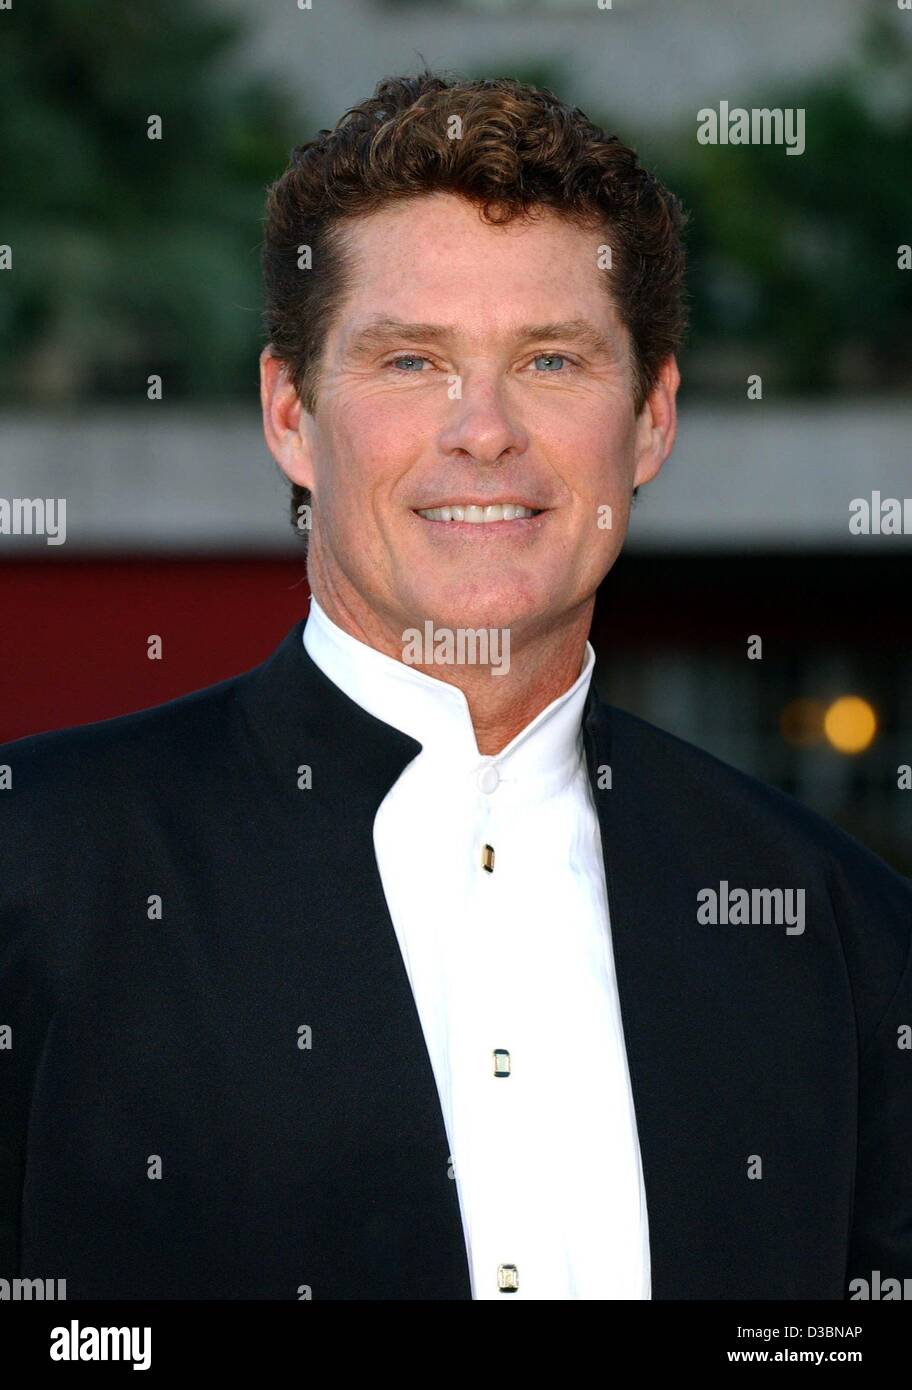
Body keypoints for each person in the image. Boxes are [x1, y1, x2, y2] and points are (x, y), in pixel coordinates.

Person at [1, 71, 909, 1301]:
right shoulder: (35, 865)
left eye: (549, 359)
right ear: (287, 411)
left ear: (650, 418)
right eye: (413, 360)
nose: (482, 430)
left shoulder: (840, 926)